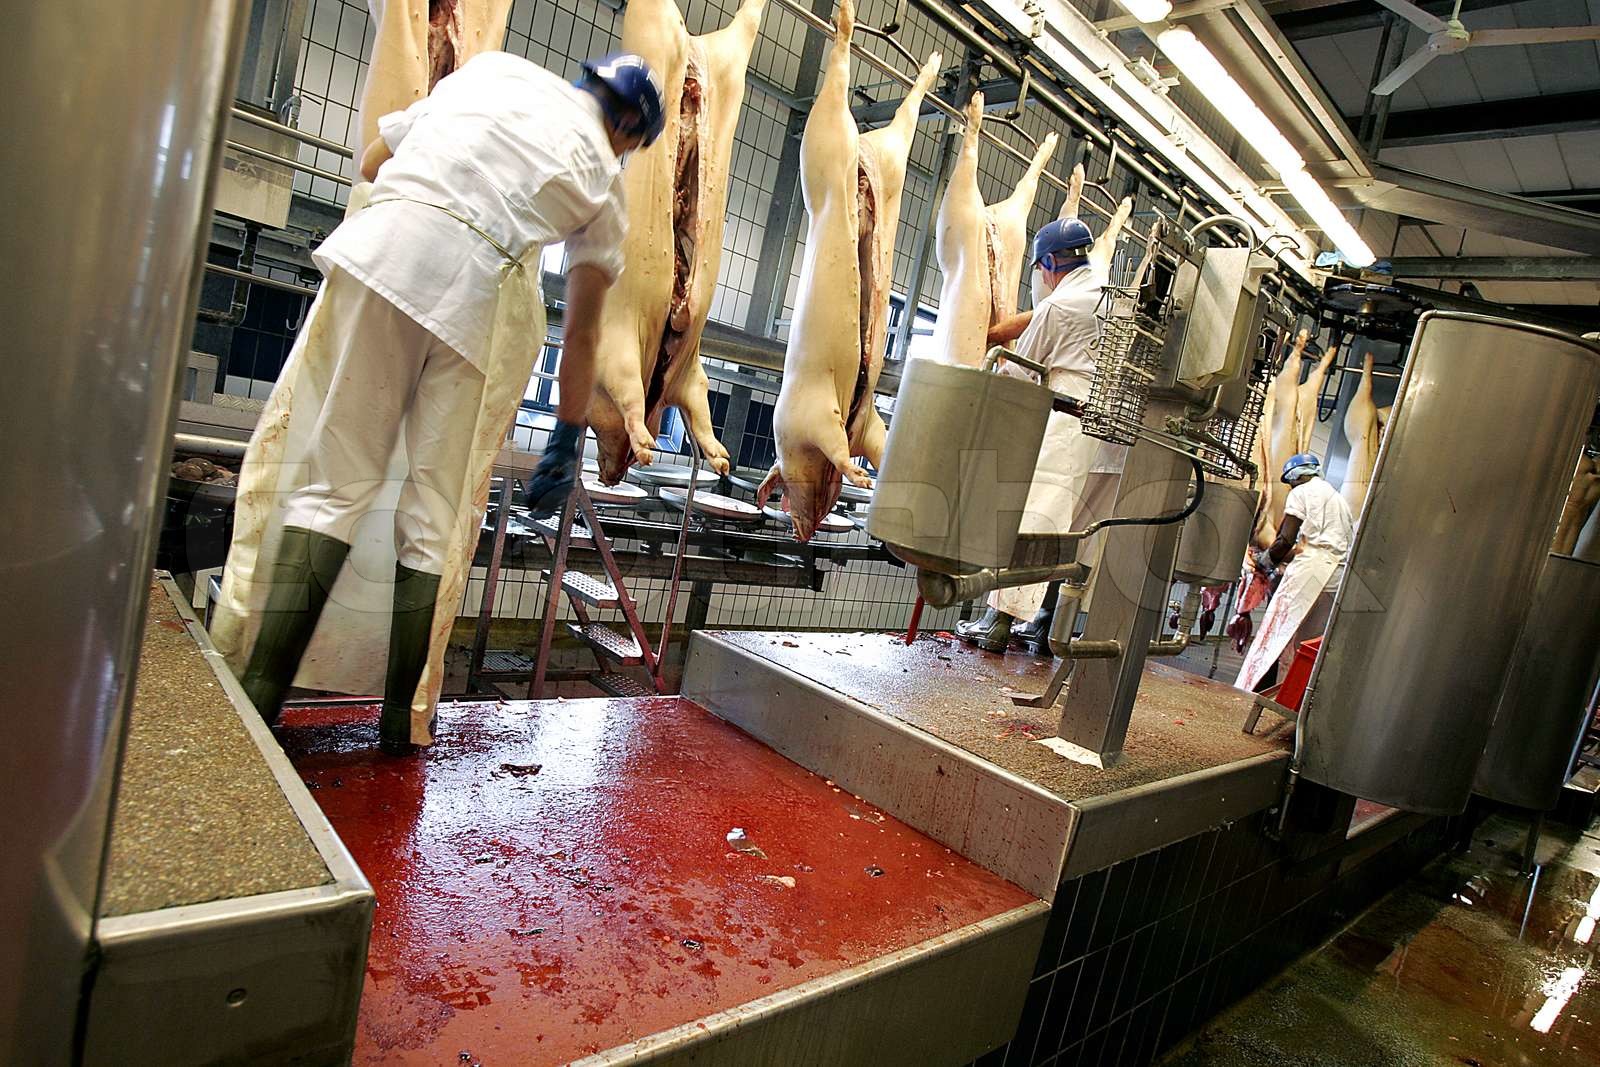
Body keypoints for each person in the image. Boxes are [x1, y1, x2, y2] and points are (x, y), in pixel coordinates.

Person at [211, 51, 665, 755]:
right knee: (430, 513)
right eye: (633, 145)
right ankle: (400, 720)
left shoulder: (493, 70)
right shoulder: (605, 180)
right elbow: (582, 332)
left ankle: (257, 699)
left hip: (378, 253)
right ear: (629, 126)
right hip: (470, 297)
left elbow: (370, 162)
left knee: (332, 488)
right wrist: (567, 433)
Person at [956, 184, 1131, 653]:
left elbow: (1021, 370)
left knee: (1037, 523)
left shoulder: (1058, 305)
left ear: (1049, 264)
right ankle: (1052, 627)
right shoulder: (1114, 296)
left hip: (1070, 426)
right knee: (1086, 532)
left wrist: (985, 360)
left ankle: (997, 624)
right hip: (1116, 439)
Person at [1234, 453, 1355, 692]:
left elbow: (1285, 540)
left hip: (1310, 568)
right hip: (1337, 574)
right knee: (1308, 643)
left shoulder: (1301, 493)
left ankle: (1253, 690)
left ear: (1294, 477)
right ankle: (1295, 695)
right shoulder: (1337, 498)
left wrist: (1264, 561)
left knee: (1278, 633)